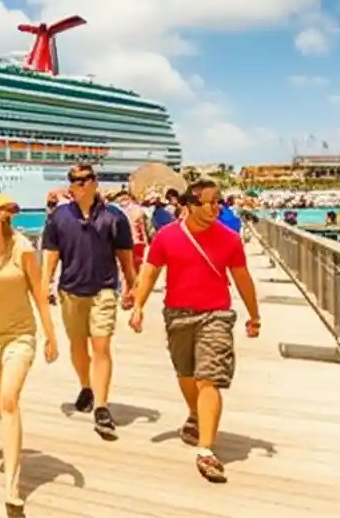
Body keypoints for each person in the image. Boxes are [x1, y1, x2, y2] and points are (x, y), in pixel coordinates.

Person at [129, 179, 262, 483]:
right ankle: (195, 414)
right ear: (190, 205)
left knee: (208, 378)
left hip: (216, 315)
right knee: (186, 374)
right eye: (210, 202)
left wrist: (254, 315)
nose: (216, 207)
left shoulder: (229, 239)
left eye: (219, 201)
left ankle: (206, 450)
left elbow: (242, 278)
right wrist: (138, 306)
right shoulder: (167, 236)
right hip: (178, 314)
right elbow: (151, 271)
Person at [0, 194, 59, 517]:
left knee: (8, 399)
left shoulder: (23, 248)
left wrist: (50, 334)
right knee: (2, 403)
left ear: (7, 214)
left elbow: (39, 291)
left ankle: (12, 490)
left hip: (20, 334)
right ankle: (11, 446)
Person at [41, 164, 137, 440]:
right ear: (70, 185)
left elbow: (126, 259)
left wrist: (132, 288)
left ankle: (102, 407)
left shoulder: (114, 217)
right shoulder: (58, 217)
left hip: (104, 290)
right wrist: (44, 285)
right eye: (75, 180)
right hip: (70, 290)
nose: (80, 184)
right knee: (77, 344)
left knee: (101, 344)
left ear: (95, 182)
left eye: (85, 179)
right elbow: (50, 256)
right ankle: (86, 386)